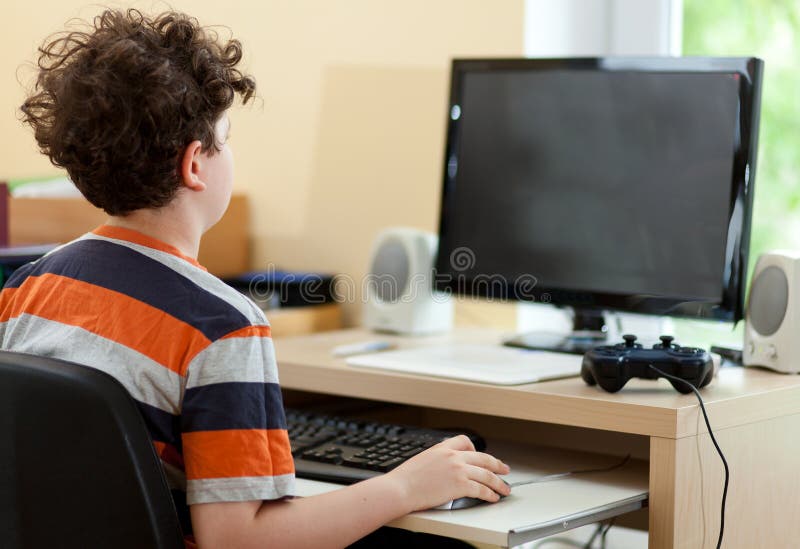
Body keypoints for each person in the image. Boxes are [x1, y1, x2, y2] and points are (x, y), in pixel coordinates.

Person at [1, 9, 511, 548]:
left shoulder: (25, 288)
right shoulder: (222, 326)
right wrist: (405, 485)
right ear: (196, 165)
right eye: (228, 136)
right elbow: (238, 541)